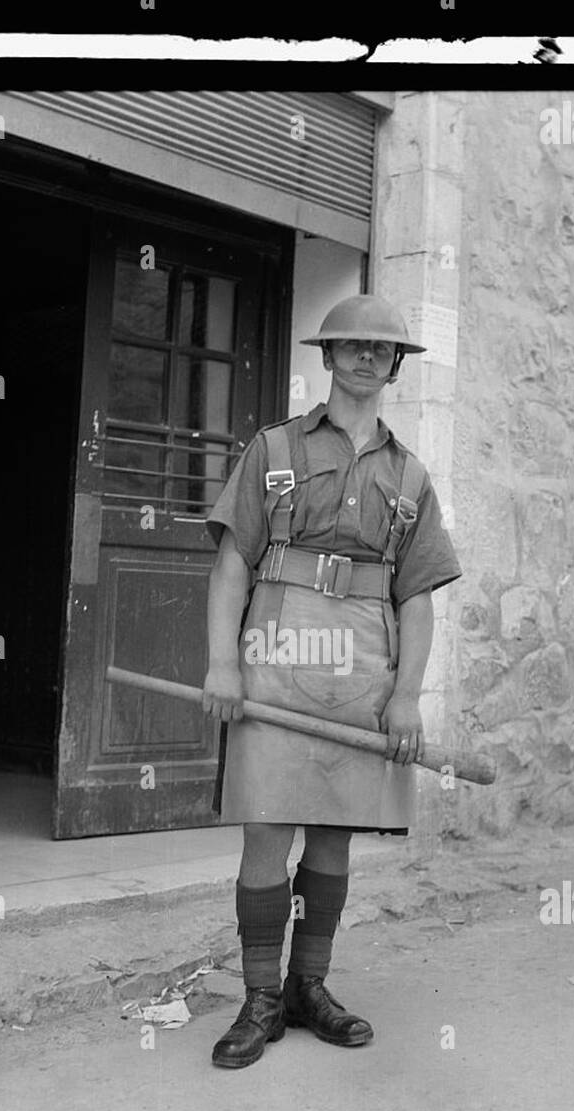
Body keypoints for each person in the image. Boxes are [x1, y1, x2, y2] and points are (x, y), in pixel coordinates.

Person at [202, 294, 462, 1069]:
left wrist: (406, 691)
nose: (363, 359)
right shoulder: (273, 450)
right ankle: (257, 999)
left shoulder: (410, 476)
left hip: (360, 666)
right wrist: (221, 661)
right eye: (349, 346)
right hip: (276, 651)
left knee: (334, 835)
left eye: (379, 351)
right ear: (327, 356)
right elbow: (230, 564)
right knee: (265, 828)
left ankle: (306, 986)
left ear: (393, 368)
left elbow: (414, 597)